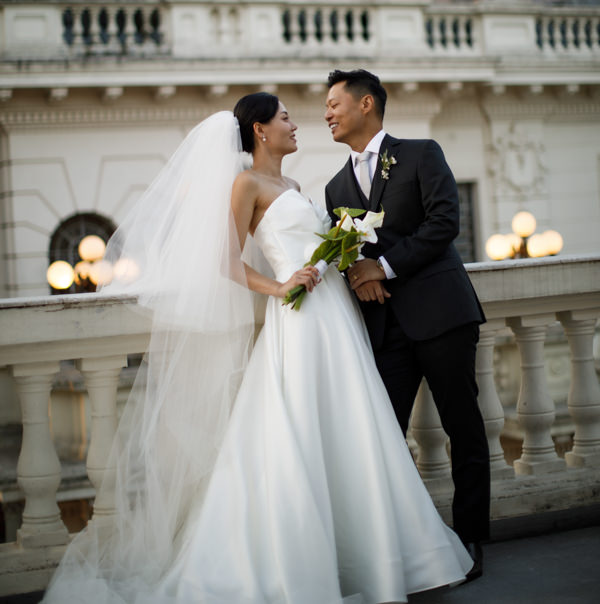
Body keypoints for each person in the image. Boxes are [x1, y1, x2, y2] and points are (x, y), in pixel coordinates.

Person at [44, 93, 472, 604]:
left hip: (338, 321)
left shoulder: (293, 185)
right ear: (260, 131)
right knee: (299, 433)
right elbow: (223, 261)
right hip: (301, 321)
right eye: (286, 117)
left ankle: (379, 557)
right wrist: (281, 286)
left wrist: (351, 258)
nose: (297, 124)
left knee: (351, 427)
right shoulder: (245, 184)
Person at [324, 69, 490, 582]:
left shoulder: (421, 153)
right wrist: (359, 273)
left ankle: (470, 538)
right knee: (384, 436)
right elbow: (348, 253)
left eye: (334, 103)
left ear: (366, 103)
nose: (326, 113)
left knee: (462, 427)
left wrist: (385, 267)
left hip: (441, 316)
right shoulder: (334, 188)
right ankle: (403, 543)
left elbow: (444, 222)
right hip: (384, 330)